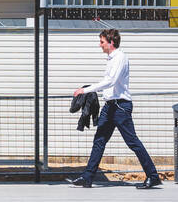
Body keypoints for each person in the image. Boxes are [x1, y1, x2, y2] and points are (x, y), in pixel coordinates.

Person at [68, 29, 162, 189]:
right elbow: (107, 81)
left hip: (120, 106)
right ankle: (87, 177)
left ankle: (153, 176)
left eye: (102, 42)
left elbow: (111, 81)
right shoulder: (111, 59)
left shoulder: (120, 58)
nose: (100, 45)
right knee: (99, 140)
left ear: (111, 43)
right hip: (110, 106)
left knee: (132, 141)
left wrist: (86, 90)